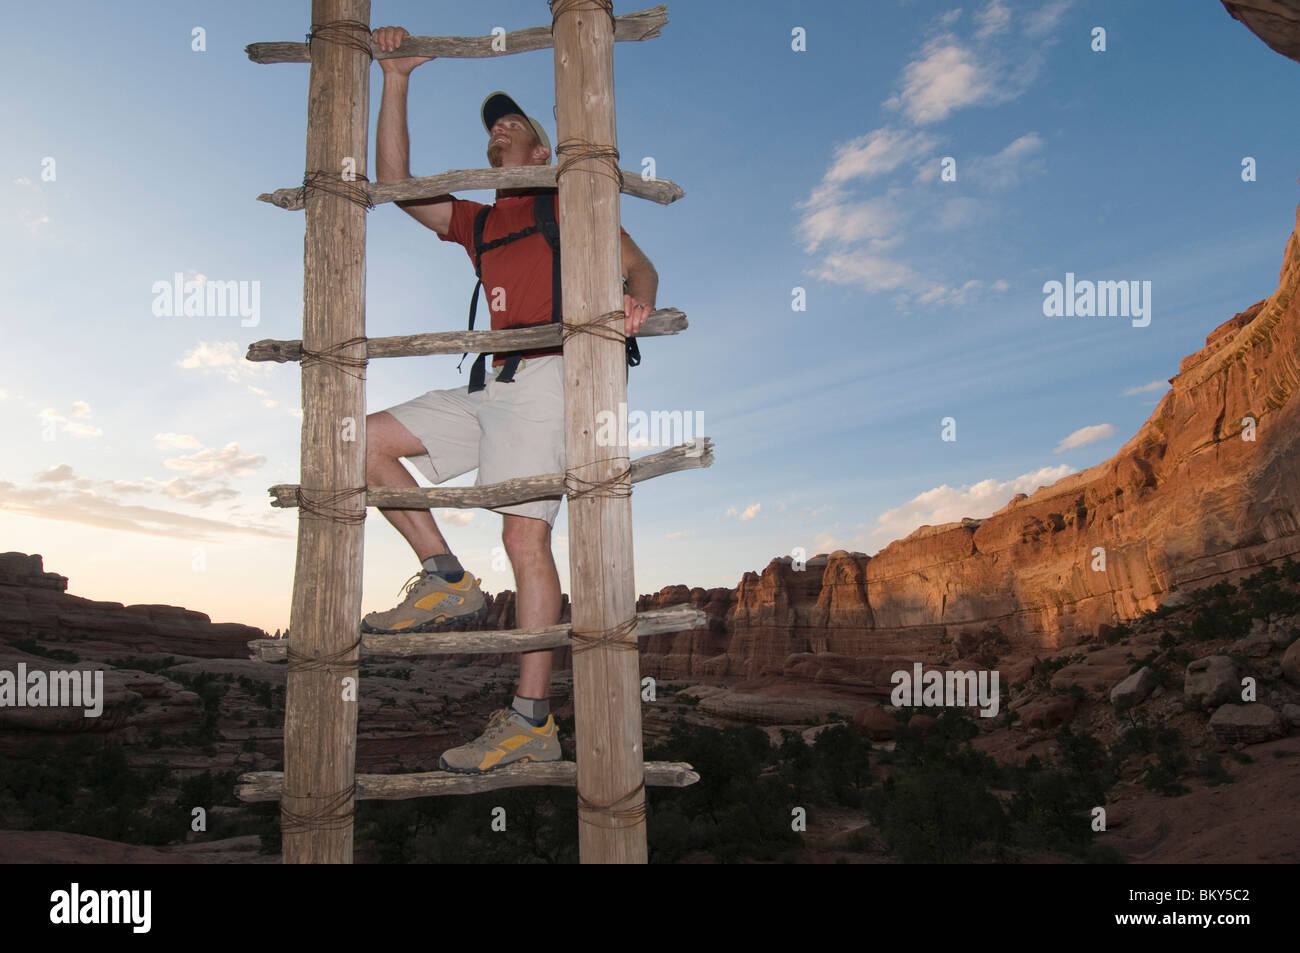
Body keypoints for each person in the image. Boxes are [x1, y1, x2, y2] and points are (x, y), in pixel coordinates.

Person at [362, 26, 659, 774]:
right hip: (490, 382)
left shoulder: (570, 199)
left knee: (525, 540)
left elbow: (640, 264)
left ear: (539, 153)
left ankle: (531, 719)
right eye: (494, 123)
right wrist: (396, 78)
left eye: (516, 121)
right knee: (358, 438)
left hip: (551, 375)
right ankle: (445, 580)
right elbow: (394, 182)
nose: (500, 123)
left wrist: (638, 302)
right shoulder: (481, 221)